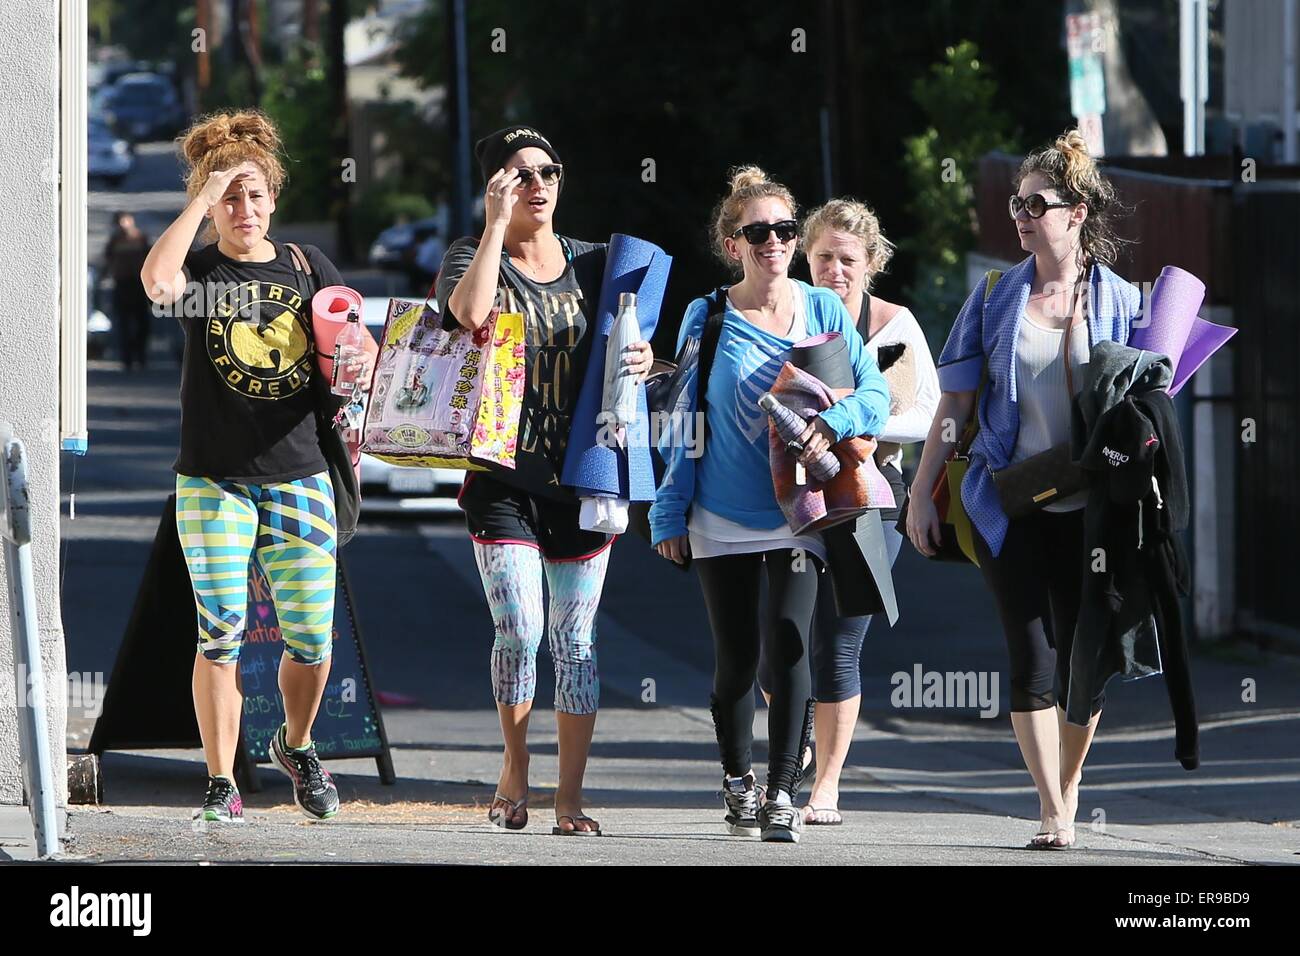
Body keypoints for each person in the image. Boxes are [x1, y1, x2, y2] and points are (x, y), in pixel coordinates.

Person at [906, 130, 1140, 849]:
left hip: (1093, 507)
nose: (1021, 214)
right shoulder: (996, 295)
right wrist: (920, 492)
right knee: (1032, 656)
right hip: (1009, 501)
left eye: (1036, 202)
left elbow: (1147, 408)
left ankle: (1066, 789)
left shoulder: (1122, 300)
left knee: (1087, 657)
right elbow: (955, 407)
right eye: (1016, 202)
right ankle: (1052, 807)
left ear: (1076, 212)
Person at [140, 110, 369, 824]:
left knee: (311, 641)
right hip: (213, 480)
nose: (243, 209)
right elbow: (155, 279)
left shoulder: (304, 267)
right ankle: (218, 779)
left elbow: (353, 343)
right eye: (229, 197)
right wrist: (199, 200)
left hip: (300, 476)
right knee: (221, 631)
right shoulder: (201, 271)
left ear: (274, 198)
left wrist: (358, 357)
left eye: (254, 194)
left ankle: (294, 744)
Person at [649, 167, 890, 844]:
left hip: (800, 514)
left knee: (789, 647)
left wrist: (837, 420)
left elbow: (874, 395)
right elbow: (683, 419)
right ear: (734, 244)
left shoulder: (823, 309)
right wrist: (668, 514)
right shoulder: (709, 314)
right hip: (719, 513)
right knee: (736, 662)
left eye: (785, 230)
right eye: (758, 233)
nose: (775, 243)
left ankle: (783, 790)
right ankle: (737, 779)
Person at [436, 125, 654, 835]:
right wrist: (496, 226)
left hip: (585, 477)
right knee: (522, 628)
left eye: (549, 172)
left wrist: (646, 358)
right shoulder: (472, 257)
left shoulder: (599, 263)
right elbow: (466, 317)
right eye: (520, 174)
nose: (538, 185)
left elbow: (642, 345)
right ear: (495, 185)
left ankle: (570, 798)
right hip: (503, 475)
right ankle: (516, 766)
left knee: (577, 641)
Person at [765, 198, 939, 825]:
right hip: (792, 499)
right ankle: (798, 732)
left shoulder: (893, 324)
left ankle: (826, 787)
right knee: (779, 640)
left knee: (839, 643)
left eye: (848, 260)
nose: (834, 271)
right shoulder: (786, 316)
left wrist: (857, 424)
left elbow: (930, 411)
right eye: (823, 258)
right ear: (805, 260)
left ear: (872, 264)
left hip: (872, 498)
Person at [104, 211, 152, 370]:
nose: (124, 225)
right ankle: (127, 359)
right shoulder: (114, 241)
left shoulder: (141, 238)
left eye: (126, 221)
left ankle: (141, 356)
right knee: (123, 322)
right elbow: (108, 259)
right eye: (120, 222)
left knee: (142, 322)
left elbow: (150, 258)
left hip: (139, 284)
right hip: (122, 283)